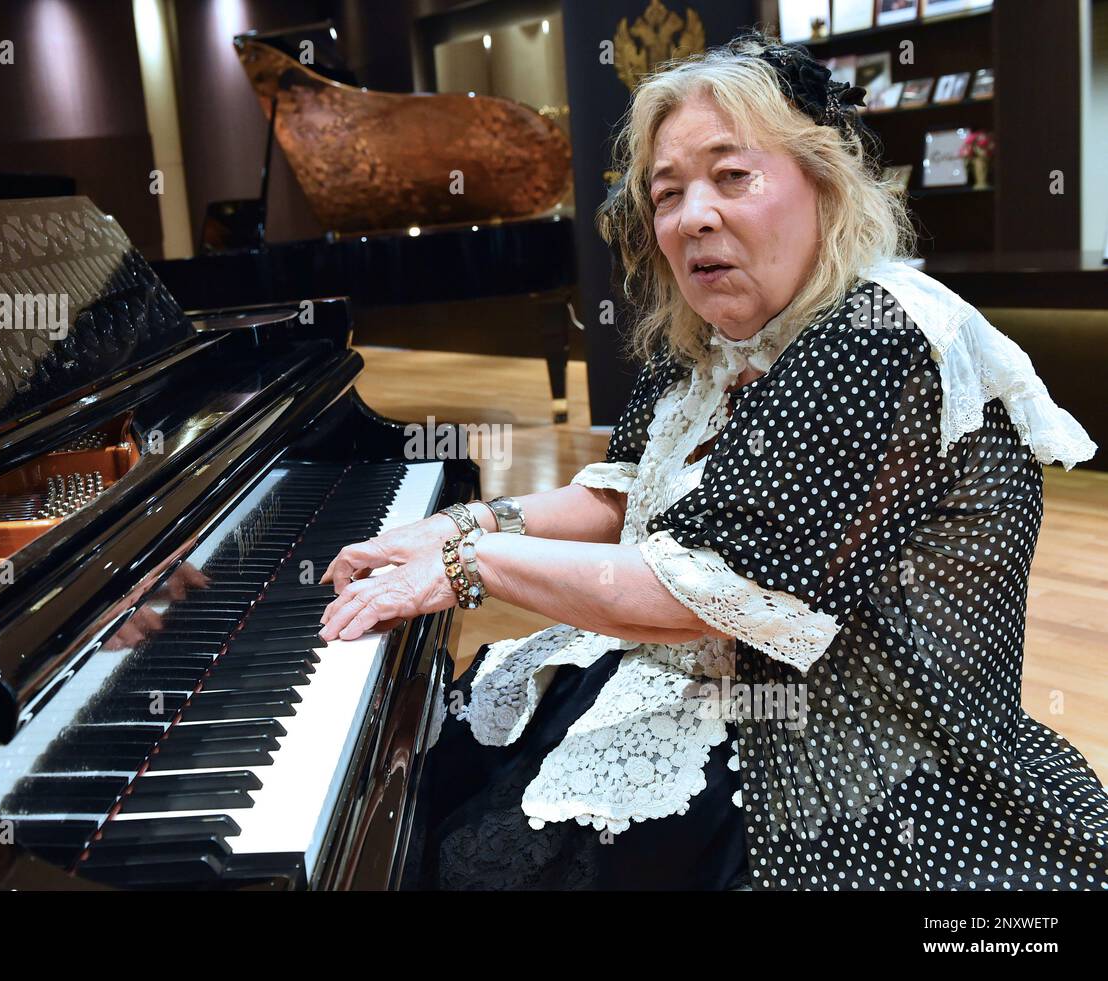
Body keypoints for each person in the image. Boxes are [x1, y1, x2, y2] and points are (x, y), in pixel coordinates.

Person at [317, 32, 1108, 890]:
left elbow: (698, 596)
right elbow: (620, 501)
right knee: (437, 767)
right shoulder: (710, 339)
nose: (692, 216)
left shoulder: (877, 334)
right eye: (667, 193)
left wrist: (468, 564)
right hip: (698, 673)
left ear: (825, 181)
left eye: (734, 177)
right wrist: (463, 522)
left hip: (834, 748)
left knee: (481, 861)